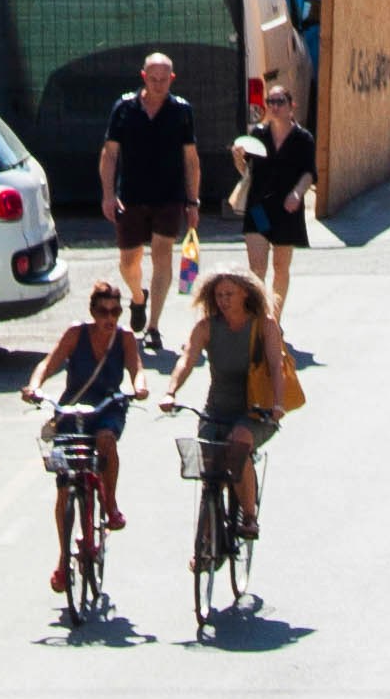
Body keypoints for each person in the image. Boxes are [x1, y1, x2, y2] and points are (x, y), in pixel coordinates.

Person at [21, 278, 142, 587]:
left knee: (105, 440)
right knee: (64, 486)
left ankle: (111, 504)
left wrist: (139, 387)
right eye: (103, 312)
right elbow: (48, 364)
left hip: (108, 407)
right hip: (72, 411)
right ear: (92, 312)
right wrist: (35, 387)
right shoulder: (76, 334)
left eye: (115, 311)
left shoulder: (125, 338)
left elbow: (136, 369)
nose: (110, 319)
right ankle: (63, 560)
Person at [164, 263, 285, 530]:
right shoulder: (207, 327)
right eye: (219, 295)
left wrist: (278, 404)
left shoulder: (264, 325)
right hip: (216, 410)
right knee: (210, 470)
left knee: (238, 443)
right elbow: (186, 359)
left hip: (256, 412)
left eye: (229, 294)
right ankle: (205, 543)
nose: (223, 300)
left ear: (245, 294)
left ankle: (249, 515)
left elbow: (276, 366)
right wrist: (171, 391)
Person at [101, 48, 200, 351]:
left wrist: (193, 202)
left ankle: (154, 326)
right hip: (131, 195)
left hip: (168, 196)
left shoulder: (181, 111)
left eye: (164, 79)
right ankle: (138, 297)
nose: (158, 84)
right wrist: (107, 194)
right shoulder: (124, 108)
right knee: (128, 261)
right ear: (144, 77)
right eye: (152, 78)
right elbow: (109, 153)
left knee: (162, 256)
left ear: (172, 79)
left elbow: (191, 160)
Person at [238, 78, 316, 313]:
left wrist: (297, 193)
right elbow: (246, 172)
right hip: (260, 208)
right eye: (270, 101)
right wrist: (238, 159)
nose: (274, 106)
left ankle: (275, 317)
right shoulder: (258, 134)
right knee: (257, 267)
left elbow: (309, 173)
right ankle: (259, 315)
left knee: (281, 266)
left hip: (286, 210)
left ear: (292, 106)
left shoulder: (303, 139)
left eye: (280, 101)